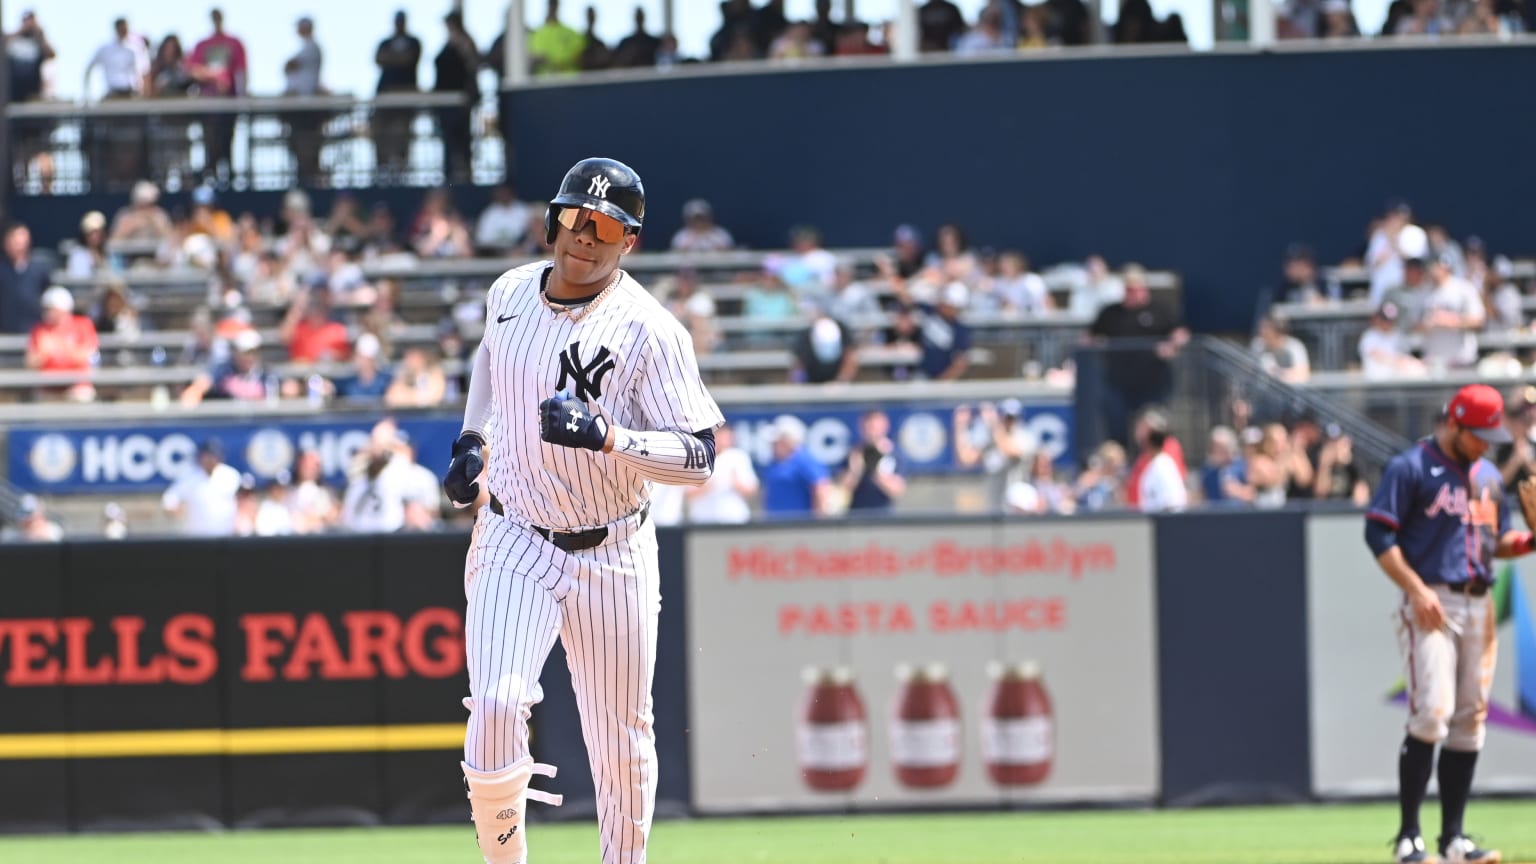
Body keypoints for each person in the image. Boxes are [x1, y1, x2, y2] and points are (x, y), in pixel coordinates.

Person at [438, 157, 723, 864]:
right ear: (552, 221)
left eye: (603, 226)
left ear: (629, 241)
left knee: (620, 740)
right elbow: (490, 357)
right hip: (514, 531)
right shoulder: (508, 291)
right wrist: (474, 438)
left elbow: (700, 456)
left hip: (613, 550)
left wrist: (610, 437)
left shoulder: (651, 331)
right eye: (574, 218)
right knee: (499, 706)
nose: (584, 237)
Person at [1367, 384, 1528, 864]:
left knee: (1469, 722)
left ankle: (1453, 840)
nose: (1486, 443)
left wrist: (1530, 542)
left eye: (1490, 435)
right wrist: (1416, 590)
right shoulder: (1410, 468)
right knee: (1432, 711)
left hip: (1478, 600)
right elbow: (1377, 533)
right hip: (1430, 598)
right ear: (1453, 424)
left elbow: (1493, 541)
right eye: (1478, 433)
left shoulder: (1489, 476)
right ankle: (1408, 839)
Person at [162, 438, 242, 536]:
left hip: (226, 537)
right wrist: (173, 508)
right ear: (201, 457)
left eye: (214, 456)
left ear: (220, 457)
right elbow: (170, 497)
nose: (210, 460)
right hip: (198, 538)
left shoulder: (231, 475)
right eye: (207, 456)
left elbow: (245, 501)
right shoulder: (190, 477)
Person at [838, 409, 906, 513]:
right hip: (856, 514)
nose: (871, 431)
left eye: (874, 427)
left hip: (882, 515)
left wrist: (876, 467)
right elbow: (844, 489)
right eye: (868, 427)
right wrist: (856, 468)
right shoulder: (854, 453)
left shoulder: (893, 454)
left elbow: (896, 490)